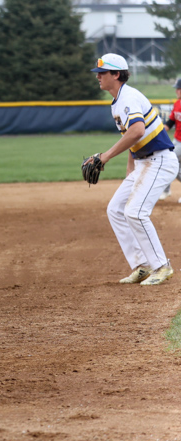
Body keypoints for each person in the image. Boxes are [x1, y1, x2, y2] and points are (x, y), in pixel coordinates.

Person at [87, 53, 177, 286]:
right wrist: (131, 168)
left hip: (159, 161)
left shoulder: (128, 97)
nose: (98, 77)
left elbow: (137, 130)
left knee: (135, 212)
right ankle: (142, 265)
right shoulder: (118, 100)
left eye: (102, 73)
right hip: (144, 163)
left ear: (116, 74)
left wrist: (105, 156)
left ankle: (161, 266)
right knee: (116, 209)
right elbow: (132, 138)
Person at [159, 77, 181, 201]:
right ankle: (166, 189)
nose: (176, 91)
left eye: (178, 89)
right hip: (177, 140)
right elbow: (171, 121)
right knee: (177, 167)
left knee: (168, 161)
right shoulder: (177, 103)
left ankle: (166, 190)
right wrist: (161, 130)